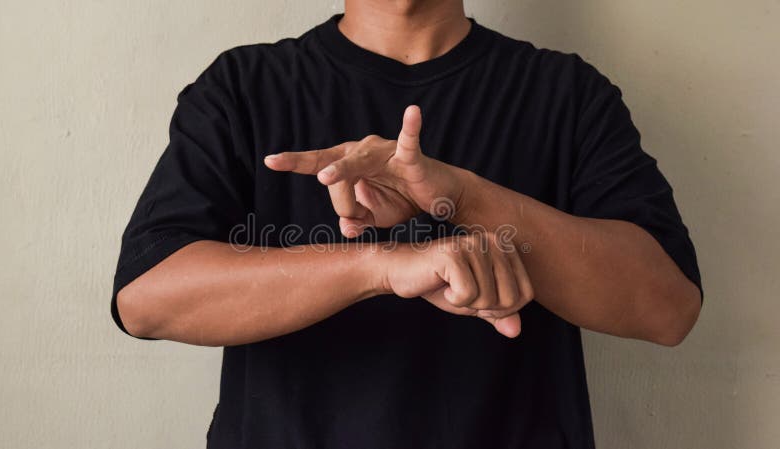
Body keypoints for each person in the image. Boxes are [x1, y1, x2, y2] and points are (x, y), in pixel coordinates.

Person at [110, 1, 703, 447]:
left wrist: (463, 197)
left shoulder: (567, 94)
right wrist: (381, 266)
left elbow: (667, 308)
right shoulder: (244, 87)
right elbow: (147, 297)